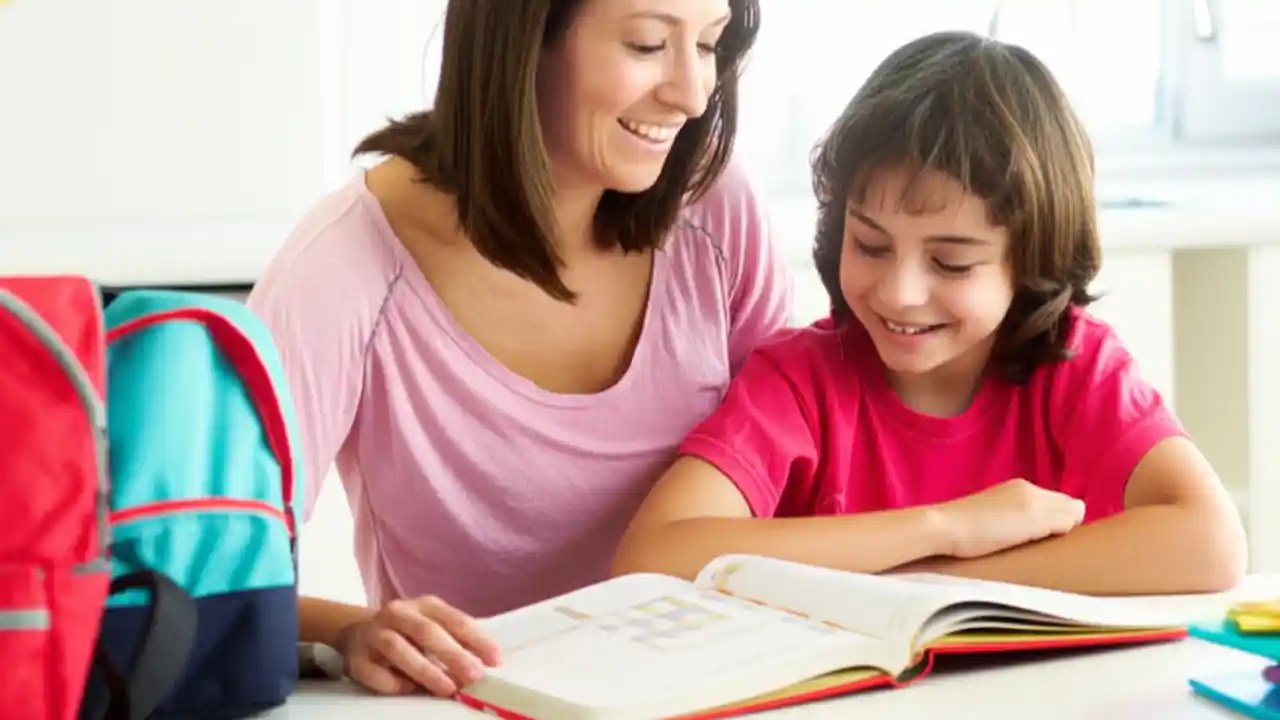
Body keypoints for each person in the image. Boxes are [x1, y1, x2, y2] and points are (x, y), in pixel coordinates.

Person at [247, 0, 790, 698]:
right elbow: (210, 574)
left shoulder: (712, 203)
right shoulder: (343, 267)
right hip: (493, 703)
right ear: (525, 40)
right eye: (648, 43)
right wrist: (350, 631)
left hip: (735, 684)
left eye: (710, 45)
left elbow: (804, 461)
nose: (691, 93)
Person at [613, 31, 1247, 596]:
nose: (900, 292)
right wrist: (946, 526)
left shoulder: (1076, 368)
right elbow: (654, 556)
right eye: (870, 245)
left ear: (1030, 261)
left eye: (951, 264)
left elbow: (1210, 543)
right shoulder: (799, 382)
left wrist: (940, 584)